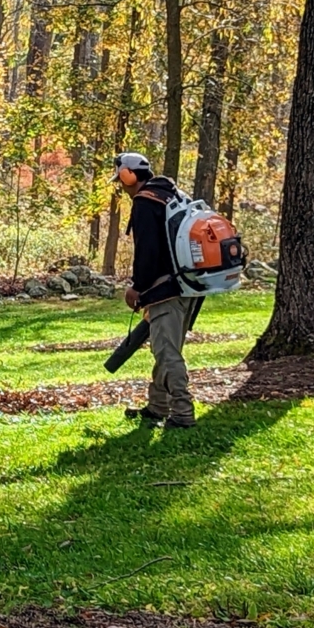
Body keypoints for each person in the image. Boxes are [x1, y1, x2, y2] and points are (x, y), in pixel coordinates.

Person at [113, 151, 200, 429]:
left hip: (165, 289)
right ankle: (158, 407)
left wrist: (138, 288)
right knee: (168, 347)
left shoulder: (144, 202)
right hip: (189, 284)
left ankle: (183, 414)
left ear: (128, 175)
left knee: (167, 352)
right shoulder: (171, 194)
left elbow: (147, 252)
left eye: (121, 179)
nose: (121, 186)